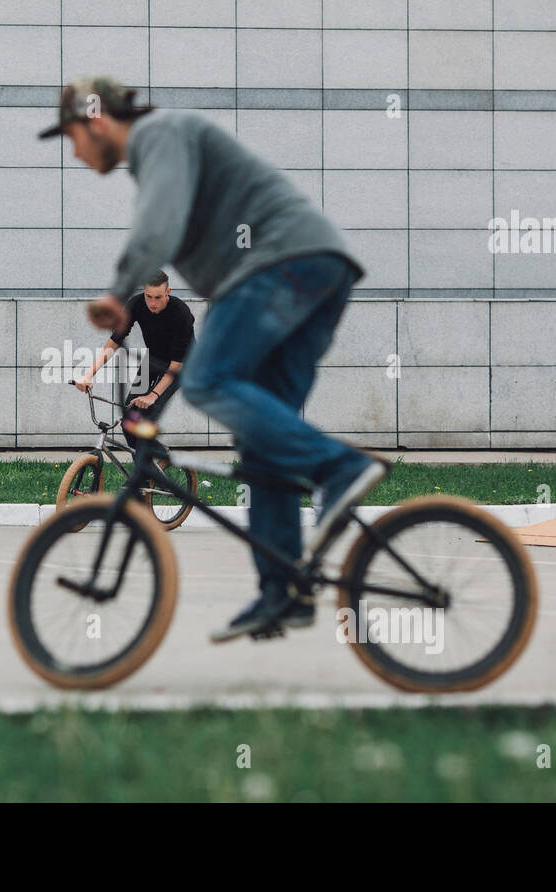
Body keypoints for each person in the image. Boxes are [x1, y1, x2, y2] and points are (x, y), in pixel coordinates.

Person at [40, 76, 389, 642]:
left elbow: (160, 222)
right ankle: (283, 591)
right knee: (264, 442)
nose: (76, 154)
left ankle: (338, 468)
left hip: (283, 264)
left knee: (204, 379)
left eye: (73, 139)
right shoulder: (159, 151)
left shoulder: (159, 136)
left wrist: (118, 289)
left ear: (96, 120)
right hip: (317, 270)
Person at [73, 270, 194, 456]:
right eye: (148, 296)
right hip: (153, 361)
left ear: (168, 292)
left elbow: (176, 365)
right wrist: (88, 374)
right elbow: (114, 342)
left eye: (158, 297)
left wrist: (152, 395)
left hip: (181, 366)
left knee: (146, 415)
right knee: (129, 421)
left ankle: (162, 463)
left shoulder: (181, 314)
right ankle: (146, 473)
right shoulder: (136, 304)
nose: (152, 303)